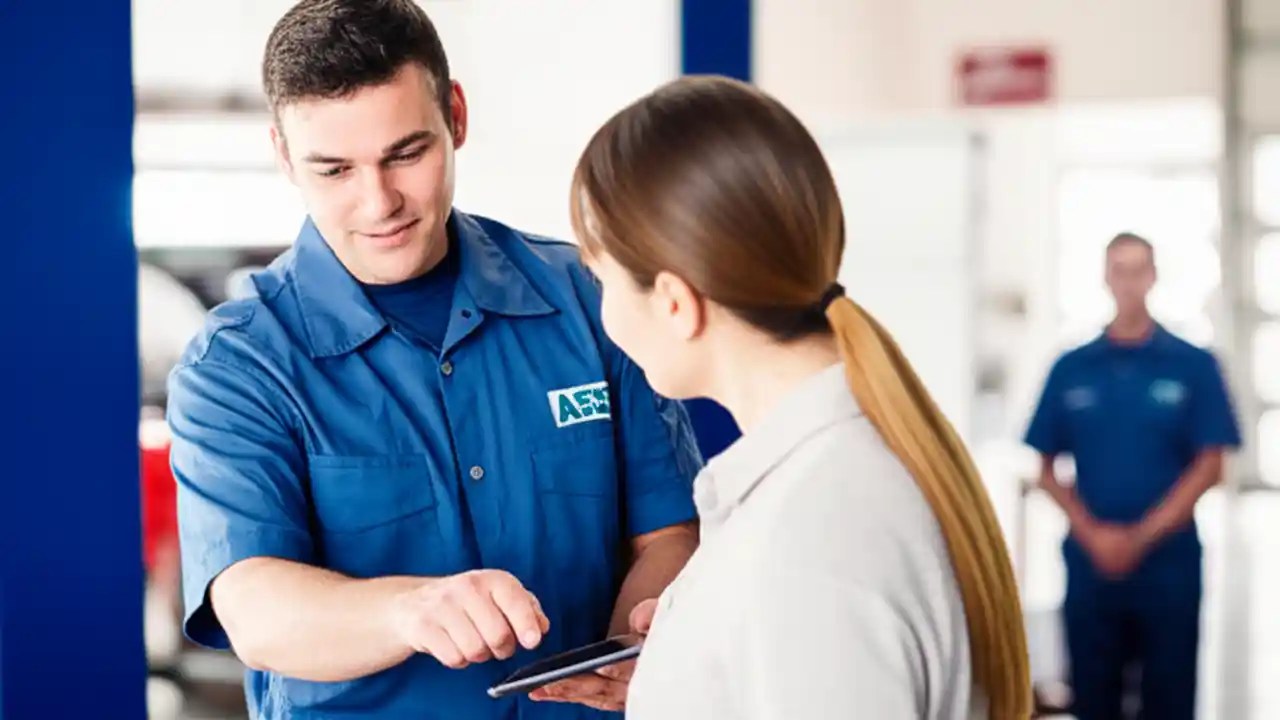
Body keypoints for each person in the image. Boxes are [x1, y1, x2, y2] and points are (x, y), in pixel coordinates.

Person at [165, 2, 701, 718]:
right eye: (334, 170)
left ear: (455, 116)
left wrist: (642, 636)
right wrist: (410, 611)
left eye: (405, 154)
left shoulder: (588, 299)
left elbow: (669, 533)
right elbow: (253, 608)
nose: (378, 201)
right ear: (284, 155)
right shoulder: (237, 365)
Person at [551, 74, 1031, 719]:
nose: (601, 311)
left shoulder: (811, 541)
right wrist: (695, 676)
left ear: (674, 303)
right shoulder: (837, 479)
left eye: (599, 277)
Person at [1023, 232, 1241, 720]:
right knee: (1094, 696)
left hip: (1168, 566)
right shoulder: (1072, 368)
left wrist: (1141, 537)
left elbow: (1210, 465)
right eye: (1119, 270)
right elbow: (1044, 466)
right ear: (1105, 277)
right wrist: (1093, 535)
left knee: (1169, 696)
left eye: (1138, 270)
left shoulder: (1193, 366)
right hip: (1091, 566)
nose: (1129, 282)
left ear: (1153, 277)